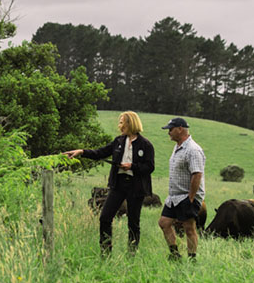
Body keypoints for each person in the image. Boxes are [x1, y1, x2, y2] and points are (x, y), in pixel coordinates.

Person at [64, 111, 155, 256]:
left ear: (130, 123)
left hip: (135, 187)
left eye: (121, 122)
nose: (119, 126)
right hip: (118, 185)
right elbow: (100, 153)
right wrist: (82, 152)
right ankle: (105, 252)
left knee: (133, 223)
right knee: (105, 217)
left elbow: (150, 167)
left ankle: (131, 254)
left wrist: (131, 166)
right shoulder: (118, 141)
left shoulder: (146, 145)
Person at [157, 117, 206, 261]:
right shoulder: (178, 147)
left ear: (180, 129)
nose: (169, 133)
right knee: (164, 223)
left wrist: (191, 198)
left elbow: (197, 174)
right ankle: (175, 255)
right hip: (174, 197)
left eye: (170, 129)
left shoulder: (193, 149)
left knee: (189, 227)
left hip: (186, 196)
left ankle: (192, 259)